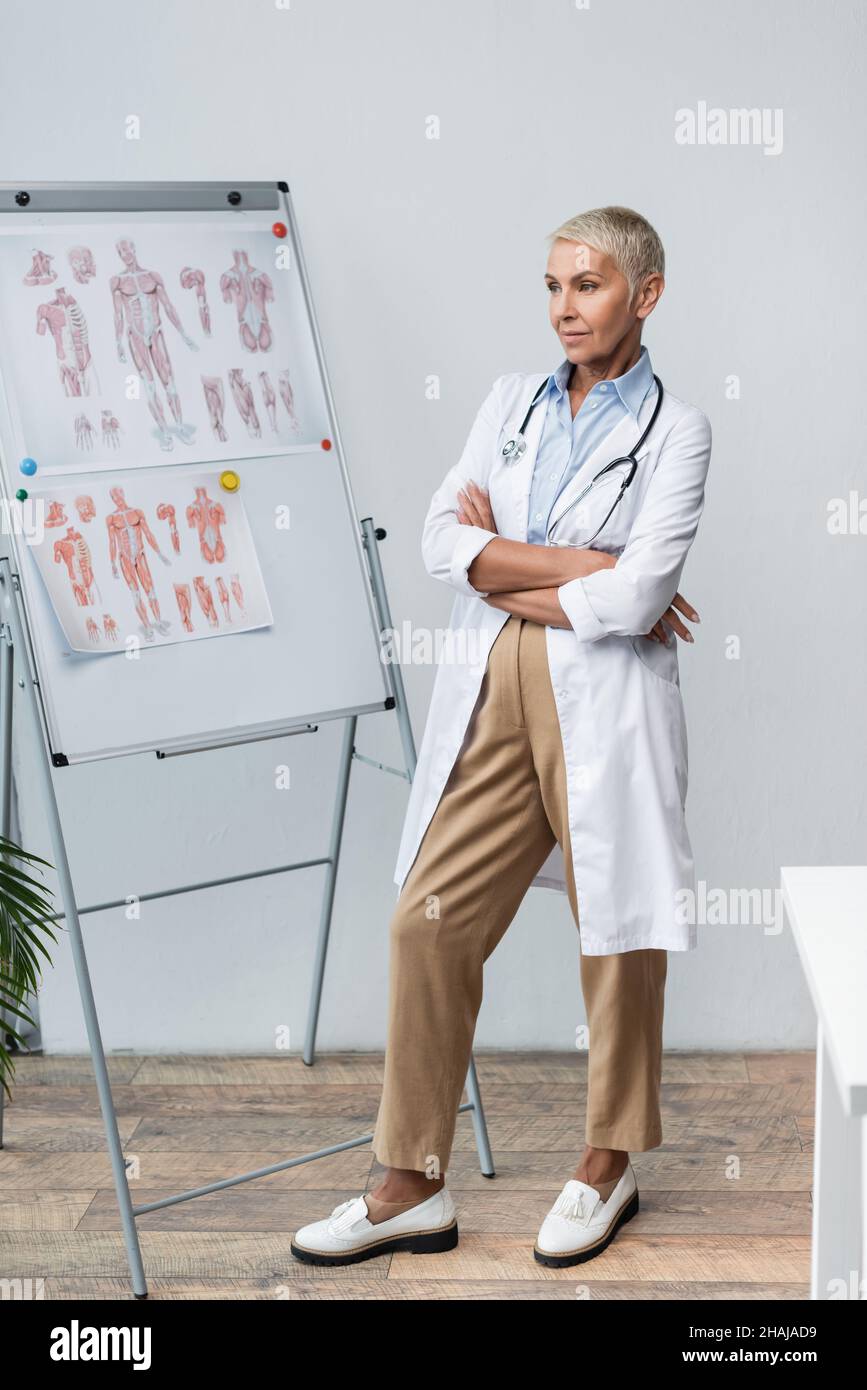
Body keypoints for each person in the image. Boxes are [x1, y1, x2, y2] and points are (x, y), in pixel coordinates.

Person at [291, 205, 712, 1268]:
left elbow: (641, 595)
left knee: (617, 927)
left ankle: (609, 1162)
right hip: (492, 692)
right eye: (554, 286)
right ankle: (411, 1180)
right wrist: (580, 563)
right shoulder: (505, 402)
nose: (566, 308)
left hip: (604, 703)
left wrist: (514, 558)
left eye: (590, 286)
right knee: (426, 922)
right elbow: (444, 541)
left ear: (645, 294)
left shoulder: (679, 428)